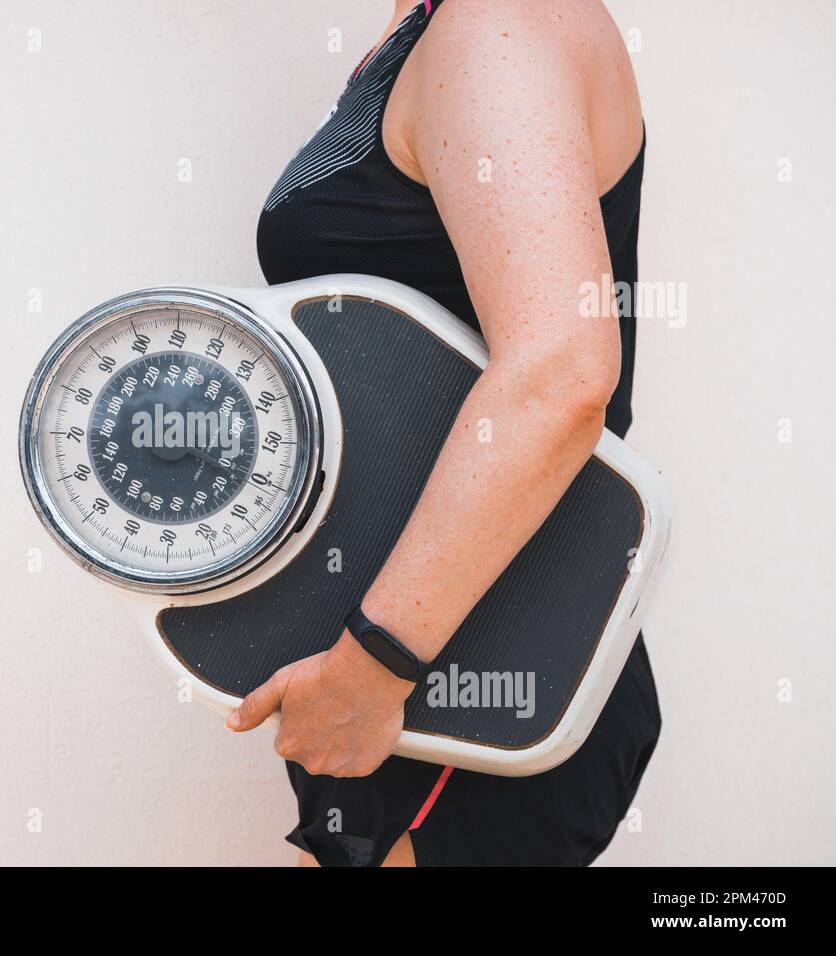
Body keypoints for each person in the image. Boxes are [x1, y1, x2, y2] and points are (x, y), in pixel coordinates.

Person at [234, 0, 662, 866]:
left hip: (465, 664)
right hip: (410, 652)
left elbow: (561, 375)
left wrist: (372, 669)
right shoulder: (428, 33)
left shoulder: (497, 26)